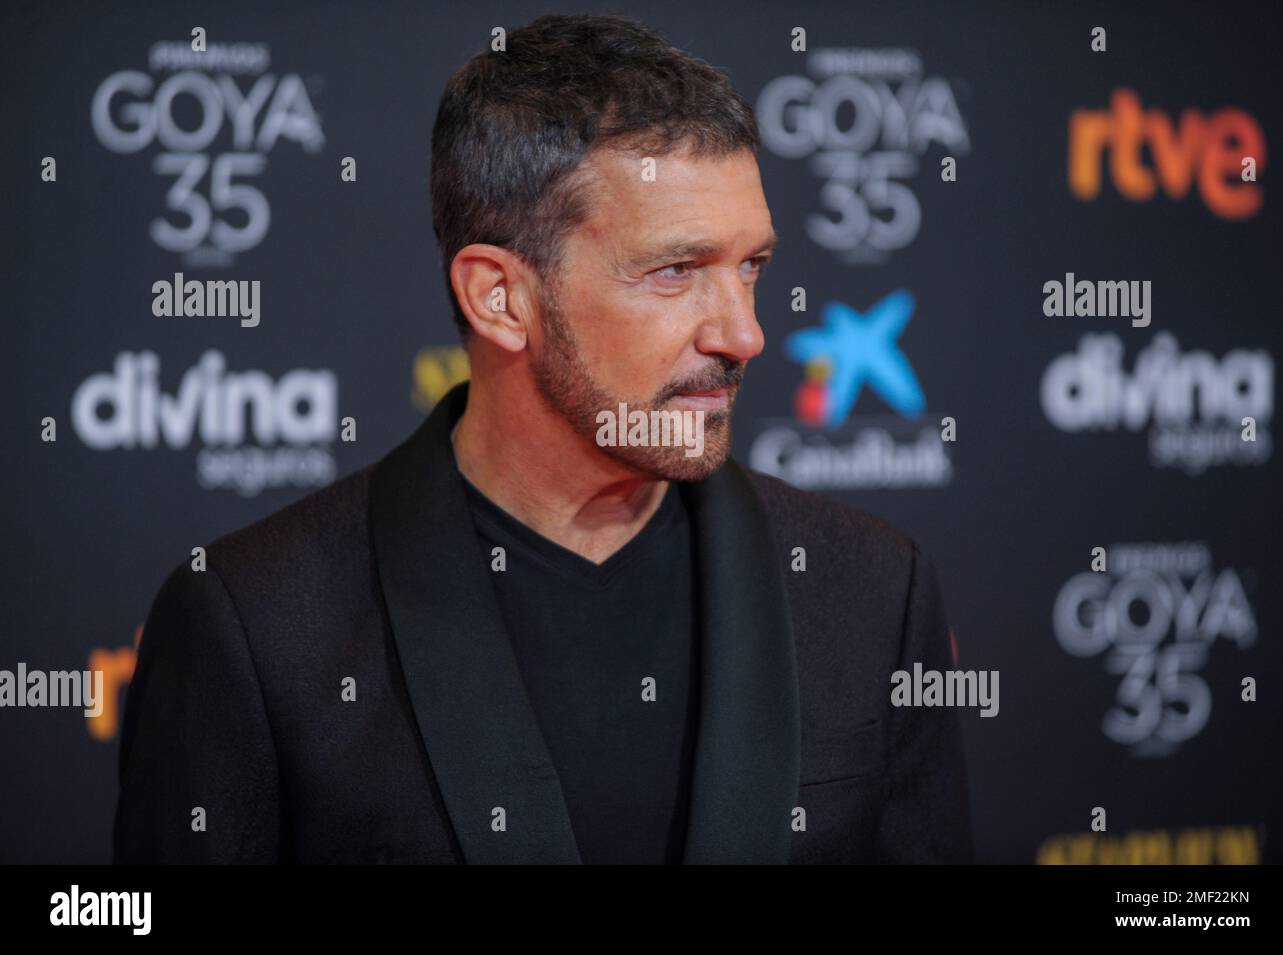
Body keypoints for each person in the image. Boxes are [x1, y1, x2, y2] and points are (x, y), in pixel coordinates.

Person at [114, 12, 973, 864]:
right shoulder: (258, 623)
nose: (744, 334)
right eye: (675, 271)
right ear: (500, 297)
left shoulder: (873, 591)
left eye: (751, 267)